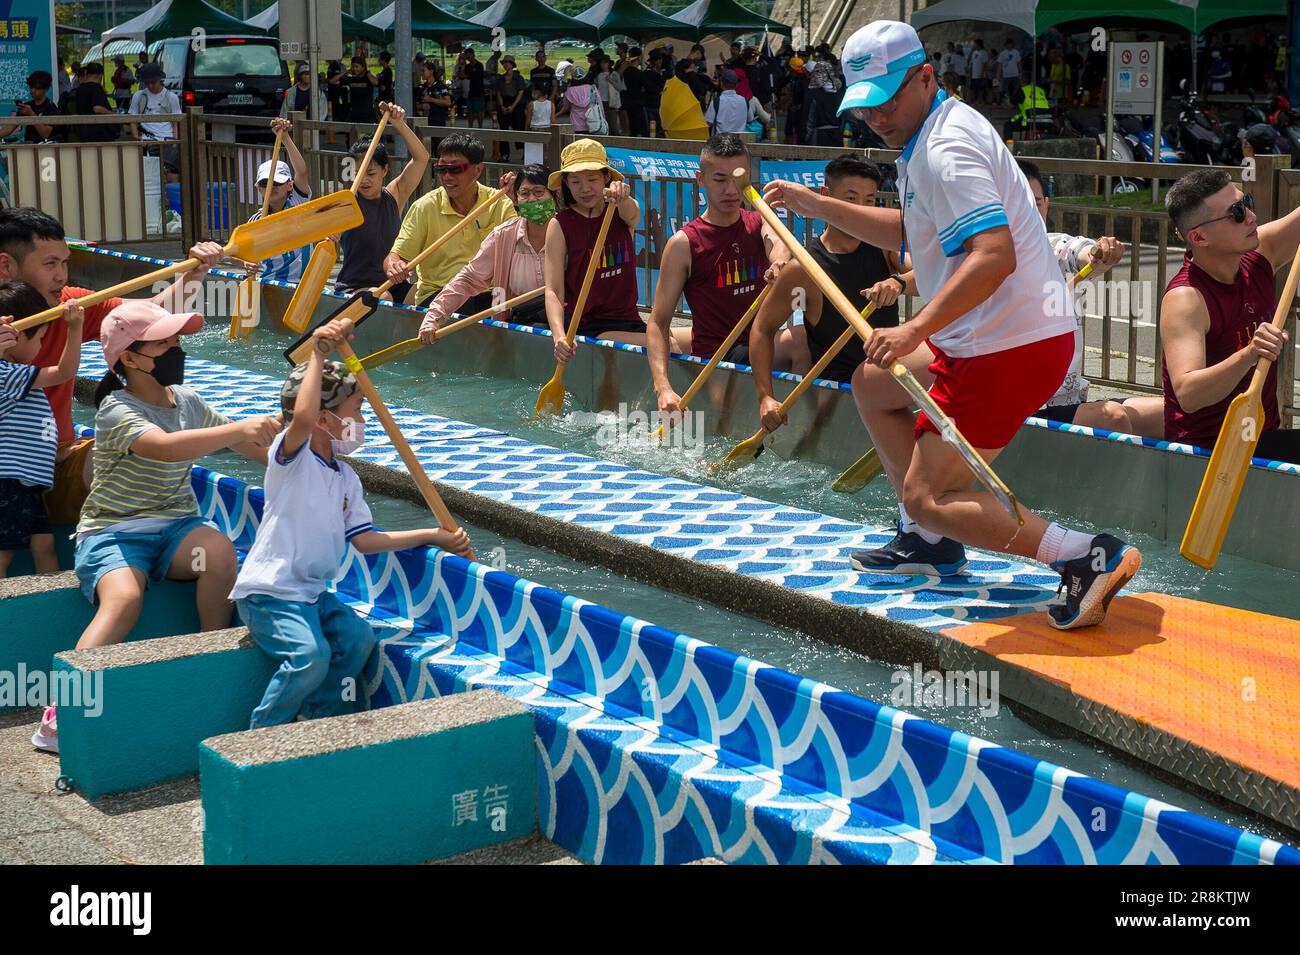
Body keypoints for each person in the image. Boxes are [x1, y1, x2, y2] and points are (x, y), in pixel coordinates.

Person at [766, 21, 1142, 630]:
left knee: (928, 494)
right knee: (872, 383)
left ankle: (1084, 555)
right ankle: (931, 540)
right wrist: (815, 204)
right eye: (866, 105)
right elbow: (915, 231)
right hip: (992, 337)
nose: (878, 115)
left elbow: (994, 254)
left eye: (889, 97)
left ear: (926, 77)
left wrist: (913, 331)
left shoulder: (946, 149)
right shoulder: (929, 135)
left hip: (1005, 346)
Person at [29, 301, 280, 753]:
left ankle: (210, 651)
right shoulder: (115, 410)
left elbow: (251, 450)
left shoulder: (186, 400)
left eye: (176, 341)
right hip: (113, 531)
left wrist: (299, 461)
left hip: (176, 528)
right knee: (124, 597)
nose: (175, 350)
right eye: (164, 343)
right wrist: (241, 428)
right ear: (130, 357)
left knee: (219, 552)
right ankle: (59, 711)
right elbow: (163, 447)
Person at [232, 320, 469, 729]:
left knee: (358, 640)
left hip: (312, 594)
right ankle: (262, 735)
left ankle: (318, 718)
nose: (362, 419)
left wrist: (433, 535)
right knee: (309, 658)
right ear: (325, 420)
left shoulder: (345, 476)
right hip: (269, 593)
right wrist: (319, 354)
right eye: (356, 410)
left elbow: (366, 540)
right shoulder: (291, 458)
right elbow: (301, 419)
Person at [0, 208, 223, 525]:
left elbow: (152, 313)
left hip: (59, 466)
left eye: (64, 263)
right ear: (6, 266)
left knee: (120, 452)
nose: (61, 275)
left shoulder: (70, 304)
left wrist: (196, 273)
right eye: (50, 264)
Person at [751, 157, 911, 429]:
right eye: (851, 199)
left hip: (888, 383)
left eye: (869, 201)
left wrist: (899, 282)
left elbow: (931, 275)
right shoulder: (802, 269)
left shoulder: (886, 248)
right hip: (837, 395)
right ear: (825, 197)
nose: (860, 211)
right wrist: (765, 396)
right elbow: (762, 329)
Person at [648, 135, 792, 421]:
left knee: (803, 336)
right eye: (719, 179)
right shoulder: (684, 243)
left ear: (748, 178)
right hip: (718, 360)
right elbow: (657, 322)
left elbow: (777, 241)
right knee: (798, 342)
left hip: (763, 349)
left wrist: (779, 263)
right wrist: (663, 388)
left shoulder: (760, 219)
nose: (730, 190)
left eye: (738, 179)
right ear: (701, 180)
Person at [1160, 169, 1300, 463]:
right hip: (1208, 455)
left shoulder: (1259, 255)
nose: (1250, 216)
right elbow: (1188, 393)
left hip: (1259, 439)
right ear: (1198, 236)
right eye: (1236, 212)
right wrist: (1250, 353)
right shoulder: (1187, 298)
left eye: (1246, 201)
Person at [1018, 160, 1162, 435]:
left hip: (1069, 403)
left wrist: (1100, 251)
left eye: (1035, 204)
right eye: (1018, 205)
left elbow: (1078, 251)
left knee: (1171, 414)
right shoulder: (985, 259)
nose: (1029, 213)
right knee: (1112, 419)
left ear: (1046, 205)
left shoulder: (1053, 247)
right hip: (1020, 409)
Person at [0, 283, 83, 578]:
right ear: (17, 336)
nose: (41, 348)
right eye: (41, 339)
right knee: (3, 551)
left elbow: (23, 433)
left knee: (44, 545)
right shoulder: (8, 374)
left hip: (25, 482)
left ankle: (47, 590)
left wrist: (54, 458)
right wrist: (75, 329)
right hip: (8, 483)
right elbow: (64, 372)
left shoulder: (15, 375)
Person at [385, 133, 518, 309]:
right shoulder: (424, 207)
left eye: (455, 169)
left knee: (524, 309)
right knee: (467, 305)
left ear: (478, 170)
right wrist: (394, 266)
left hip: (491, 293)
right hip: (439, 293)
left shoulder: (499, 202)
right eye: (441, 169)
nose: (446, 176)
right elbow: (396, 256)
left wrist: (521, 199)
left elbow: (525, 246)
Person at [421, 166, 554, 336]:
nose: (532, 199)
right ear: (515, 199)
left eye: (539, 192)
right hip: (517, 326)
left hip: (565, 325)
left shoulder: (568, 232)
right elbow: (469, 279)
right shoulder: (504, 235)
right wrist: (434, 317)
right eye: (525, 193)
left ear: (554, 195)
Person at [544, 139, 645, 361]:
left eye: (592, 179)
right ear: (566, 184)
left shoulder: (620, 210)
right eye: (576, 181)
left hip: (629, 320)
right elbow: (553, 290)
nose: (585, 188)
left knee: (690, 340)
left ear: (606, 178)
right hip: (589, 326)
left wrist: (622, 196)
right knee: (670, 345)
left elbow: (633, 214)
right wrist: (559, 336)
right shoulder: (560, 223)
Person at [335, 105, 430, 301]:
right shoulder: (344, 203)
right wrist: (329, 236)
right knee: (383, 298)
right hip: (356, 286)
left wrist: (398, 124)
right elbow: (320, 238)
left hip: (394, 282)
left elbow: (422, 158)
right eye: (358, 174)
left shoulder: (395, 195)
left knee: (425, 291)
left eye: (370, 174)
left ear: (385, 170)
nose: (363, 180)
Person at [248, 117, 313, 284]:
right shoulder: (255, 221)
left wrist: (285, 138)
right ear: (258, 187)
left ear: (290, 185)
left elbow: (302, 171)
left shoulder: (299, 203)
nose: (271, 186)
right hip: (271, 282)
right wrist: (245, 263)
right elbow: (238, 253)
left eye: (277, 182)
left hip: (304, 284)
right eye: (265, 183)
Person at [127, 63, 181, 172]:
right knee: (149, 175)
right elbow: (132, 119)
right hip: (146, 141)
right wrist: (137, 139)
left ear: (159, 79)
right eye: (147, 83)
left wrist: (175, 143)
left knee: (171, 175)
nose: (150, 86)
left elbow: (176, 122)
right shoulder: (138, 96)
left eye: (153, 82)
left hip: (167, 140)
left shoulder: (172, 97)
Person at [0, 71, 60, 143]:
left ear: (46, 89)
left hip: (45, 148)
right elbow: (10, 127)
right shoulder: (27, 106)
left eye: (37, 88)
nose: (33, 90)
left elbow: (45, 134)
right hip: (28, 146)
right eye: (31, 87)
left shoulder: (51, 107)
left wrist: (31, 113)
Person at [705, 70, 770, 135]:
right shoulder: (745, 101)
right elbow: (750, 120)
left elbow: (708, 123)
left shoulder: (716, 102)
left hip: (720, 142)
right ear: (736, 85)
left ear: (721, 84)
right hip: (739, 142)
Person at [660, 60, 709, 140]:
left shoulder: (673, 81)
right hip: (690, 111)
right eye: (693, 67)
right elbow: (702, 90)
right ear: (687, 69)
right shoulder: (692, 77)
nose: (695, 69)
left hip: (676, 113)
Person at [73, 62, 115, 143]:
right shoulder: (96, 88)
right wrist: (113, 114)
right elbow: (97, 108)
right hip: (99, 132)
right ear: (99, 75)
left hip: (84, 131)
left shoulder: (80, 89)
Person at [497, 55, 526, 162]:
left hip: (516, 103)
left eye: (507, 63)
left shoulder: (518, 77)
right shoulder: (500, 78)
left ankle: (524, 151)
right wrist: (502, 106)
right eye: (504, 63)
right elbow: (499, 93)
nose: (505, 65)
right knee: (503, 130)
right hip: (504, 102)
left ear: (512, 65)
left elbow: (520, 92)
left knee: (519, 128)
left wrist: (513, 106)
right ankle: (504, 154)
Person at [333, 56, 377, 124]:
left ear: (363, 67)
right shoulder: (350, 79)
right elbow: (332, 81)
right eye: (353, 67)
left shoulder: (367, 78)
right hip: (354, 113)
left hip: (367, 114)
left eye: (357, 67)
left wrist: (367, 72)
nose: (354, 69)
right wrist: (345, 72)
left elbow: (376, 82)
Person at [621, 47, 648, 137]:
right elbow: (647, 86)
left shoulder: (626, 72)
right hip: (638, 103)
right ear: (639, 57)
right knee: (642, 127)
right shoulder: (639, 73)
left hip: (629, 102)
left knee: (633, 126)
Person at [524, 84, 552, 166]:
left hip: (535, 129)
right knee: (546, 153)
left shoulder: (532, 104)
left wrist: (526, 130)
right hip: (547, 129)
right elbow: (553, 120)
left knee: (535, 152)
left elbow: (528, 121)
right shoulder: (551, 104)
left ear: (538, 92)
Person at [462, 46, 485, 128]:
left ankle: (480, 127)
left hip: (479, 91)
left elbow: (476, 76)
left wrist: (468, 75)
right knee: (470, 111)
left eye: (469, 55)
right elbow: (462, 76)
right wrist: (462, 66)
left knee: (479, 111)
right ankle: (470, 127)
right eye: (467, 56)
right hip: (470, 91)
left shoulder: (479, 65)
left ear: (473, 55)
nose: (468, 58)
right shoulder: (467, 66)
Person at [998, 38, 1023, 106]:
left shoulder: (1016, 52)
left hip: (1015, 74)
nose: (1009, 45)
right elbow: (1000, 65)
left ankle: (1016, 102)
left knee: (1017, 89)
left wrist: (1020, 73)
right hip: (1006, 75)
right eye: (1008, 44)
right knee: (1005, 90)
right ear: (1006, 45)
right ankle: (1005, 103)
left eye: (1010, 44)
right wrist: (998, 75)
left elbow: (1019, 63)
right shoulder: (1002, 53)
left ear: (1013, 44)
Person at [968, 39, 990, 105]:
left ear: (978, 44)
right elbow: (971, 63)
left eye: (974, 44)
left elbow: (985, 64)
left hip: (980, 74)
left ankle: (981, 101)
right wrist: (970, 73)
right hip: (973, 75)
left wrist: (982, 73)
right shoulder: (974, 53)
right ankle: (975, 101)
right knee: (974, 89)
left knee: (980, 89)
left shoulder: (984, 52)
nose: (973, 45)